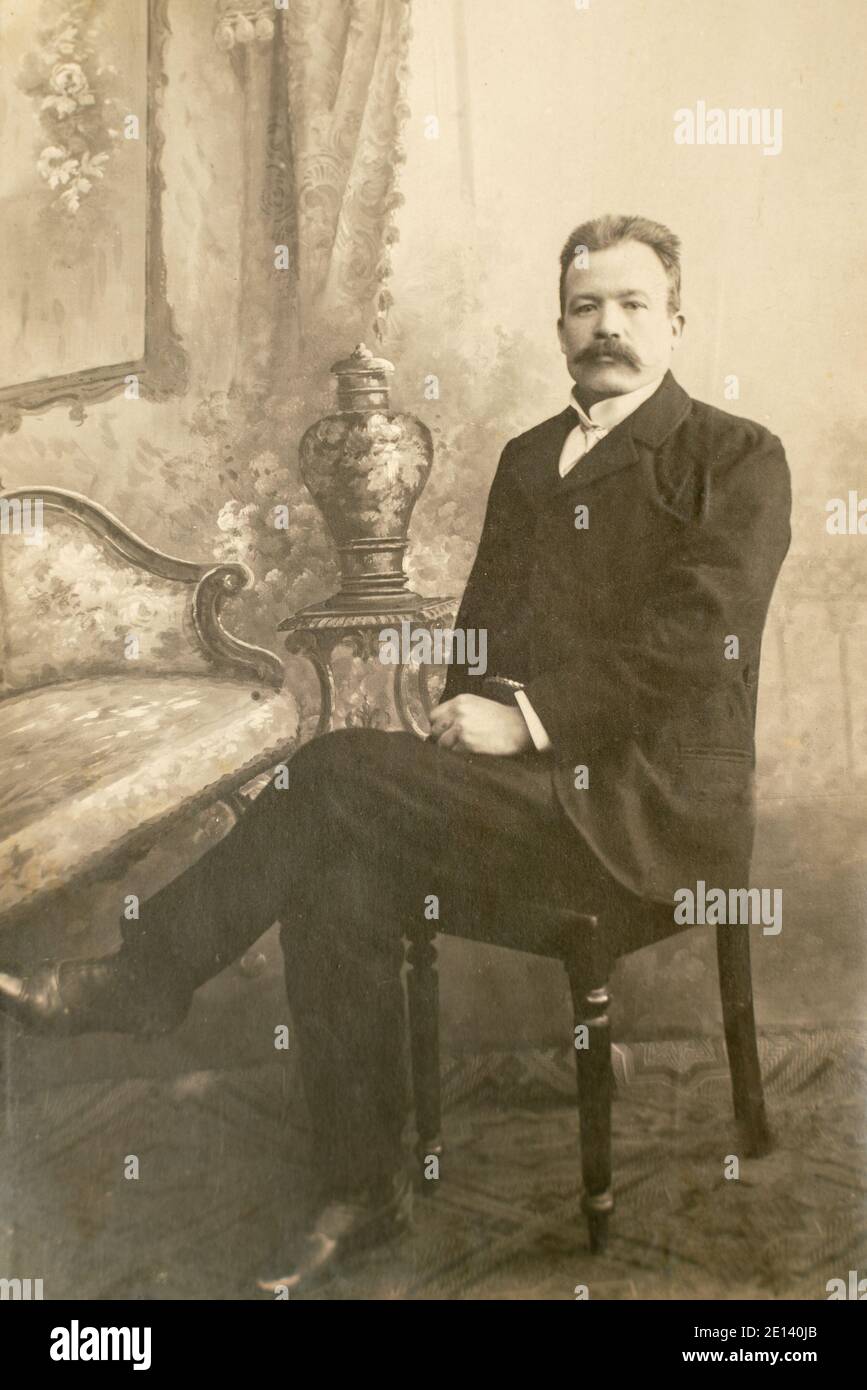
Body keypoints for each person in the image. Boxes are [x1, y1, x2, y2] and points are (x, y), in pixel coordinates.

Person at [0, 214, 792, 1293]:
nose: (606, 326)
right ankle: (359, 1189)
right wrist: (462, 717)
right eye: (585, 306)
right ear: (559, 324)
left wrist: (528, 721)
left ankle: (146, 977)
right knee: (337, 872)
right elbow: (481, 634)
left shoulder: (738, 458)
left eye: (632, 304)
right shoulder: (527, 461)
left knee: (330, 774)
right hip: (527, 804)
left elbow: (701, 645)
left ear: (677, 321)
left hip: (649, 815)